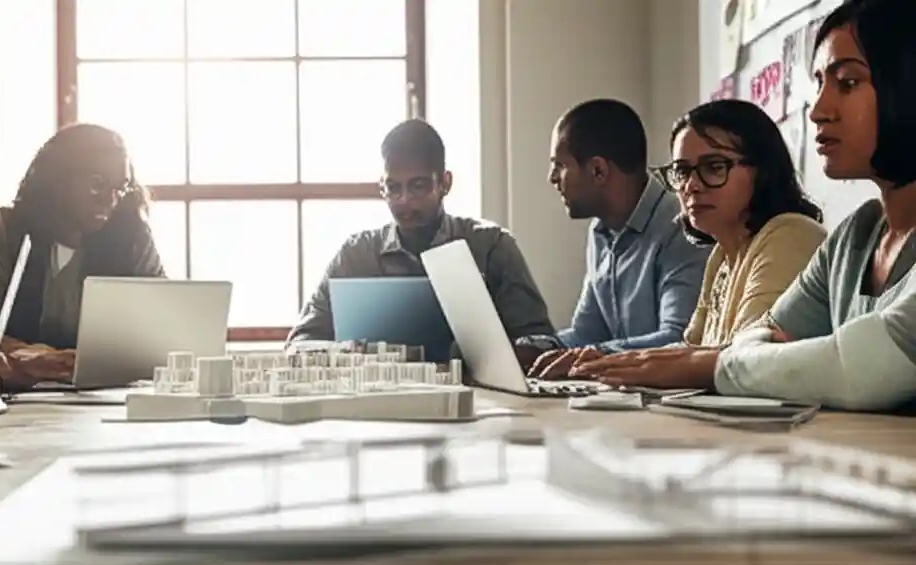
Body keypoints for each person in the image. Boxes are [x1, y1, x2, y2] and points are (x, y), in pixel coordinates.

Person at [577, 0, 916, 412]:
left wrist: (719, 363)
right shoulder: (855, 235)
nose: (819, 111)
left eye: (847, 83)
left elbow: (854, 370)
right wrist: (744, 357)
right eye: (818, 84)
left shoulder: (791, 234)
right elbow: (755, 339)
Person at [289, 118, 553, 347]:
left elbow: (541, 340)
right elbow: (301, 341)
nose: (404, 201)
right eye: (393, 188)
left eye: (418, 186)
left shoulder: (491, 246)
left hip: (475, 399)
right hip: (375, 397)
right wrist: (351, 354)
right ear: (382, 188)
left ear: (445, 183)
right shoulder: (355, 255)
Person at [0, 123, 165, 383]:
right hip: (21, 396)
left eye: (121, 188)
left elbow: (160, 340)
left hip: (103, 396)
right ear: (59, 179)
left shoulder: (132, 236)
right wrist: (34, 357)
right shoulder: (9, 230)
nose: (111, 199)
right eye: (98, 184)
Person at [526, 99, 710, 379]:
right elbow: (588, 333)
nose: (552, 177)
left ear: (598, 170)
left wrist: (594, 356)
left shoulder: (682, 225)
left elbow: (679, 340)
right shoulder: (600, 231)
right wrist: (536, 348)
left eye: (560, 165)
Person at [658, 99, 826, 346]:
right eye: (682, 172)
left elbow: (744, 358)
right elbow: (690, 348)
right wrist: (610, 363)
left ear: (763, 171)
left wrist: (634, 365)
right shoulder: (721, 256)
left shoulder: (791, 235)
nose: (691, 186)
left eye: (714, 167)